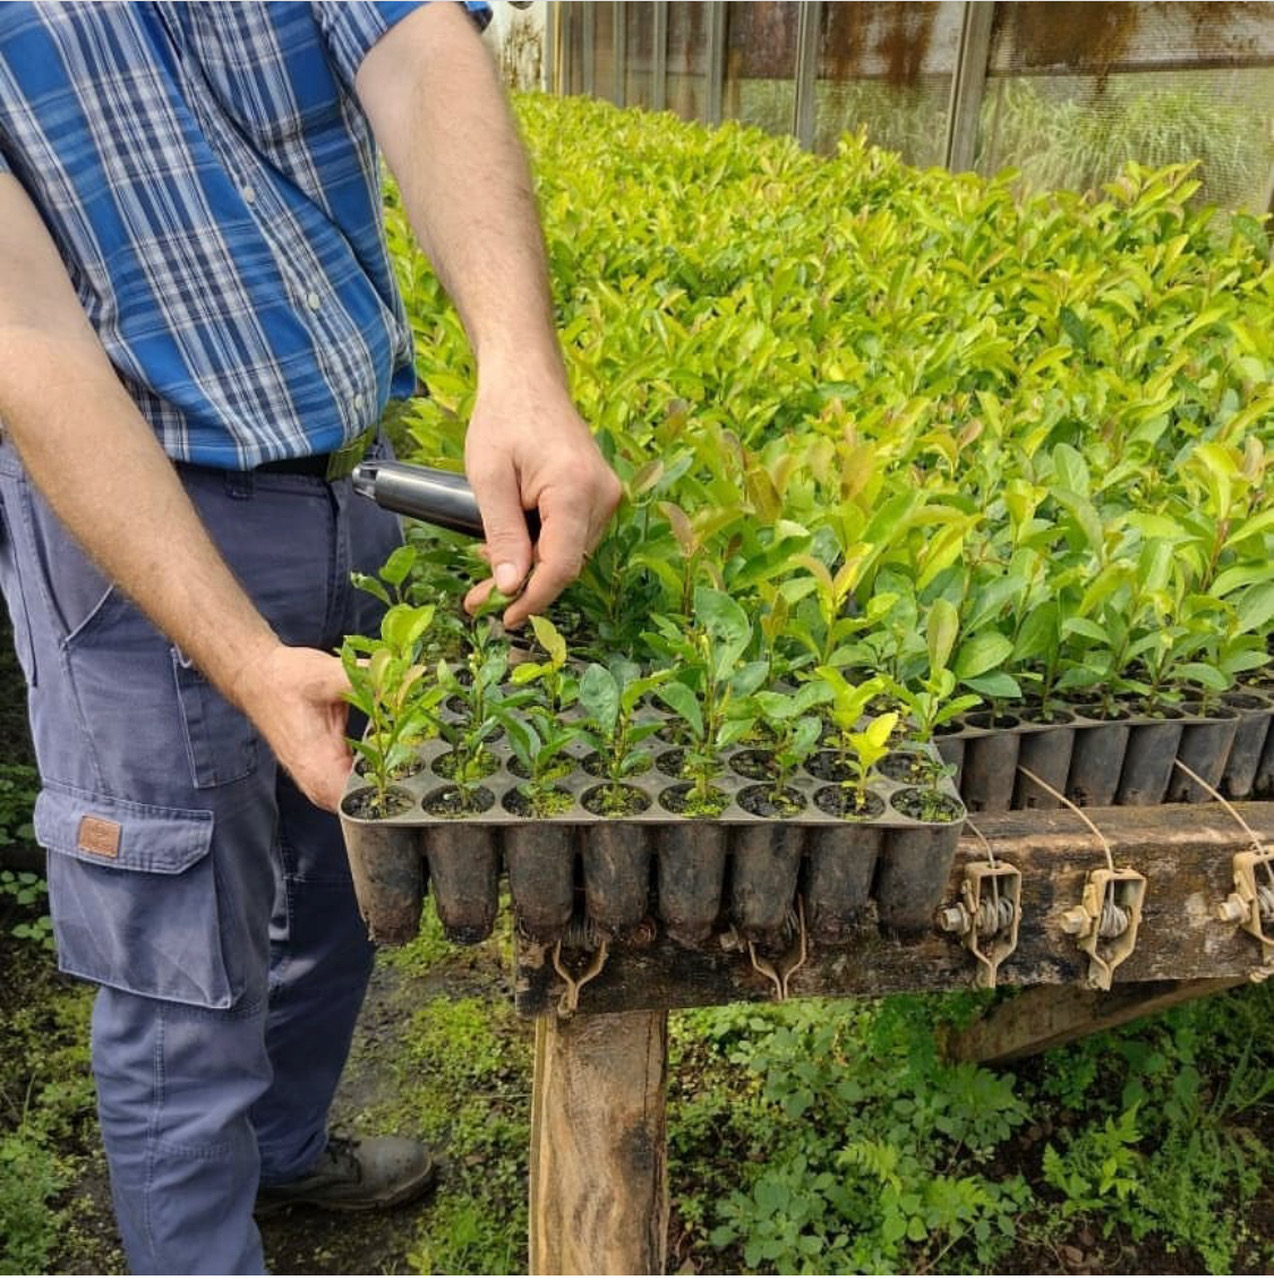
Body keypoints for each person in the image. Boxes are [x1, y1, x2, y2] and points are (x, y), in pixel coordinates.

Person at [0, 2, 621, 1273]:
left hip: (362, 482)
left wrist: (517, 360)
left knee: (348, 873)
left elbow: (414, 39)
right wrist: (238, 654)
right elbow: (27, 336)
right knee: (181, 959)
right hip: (137, 513)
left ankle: (282, 1147)